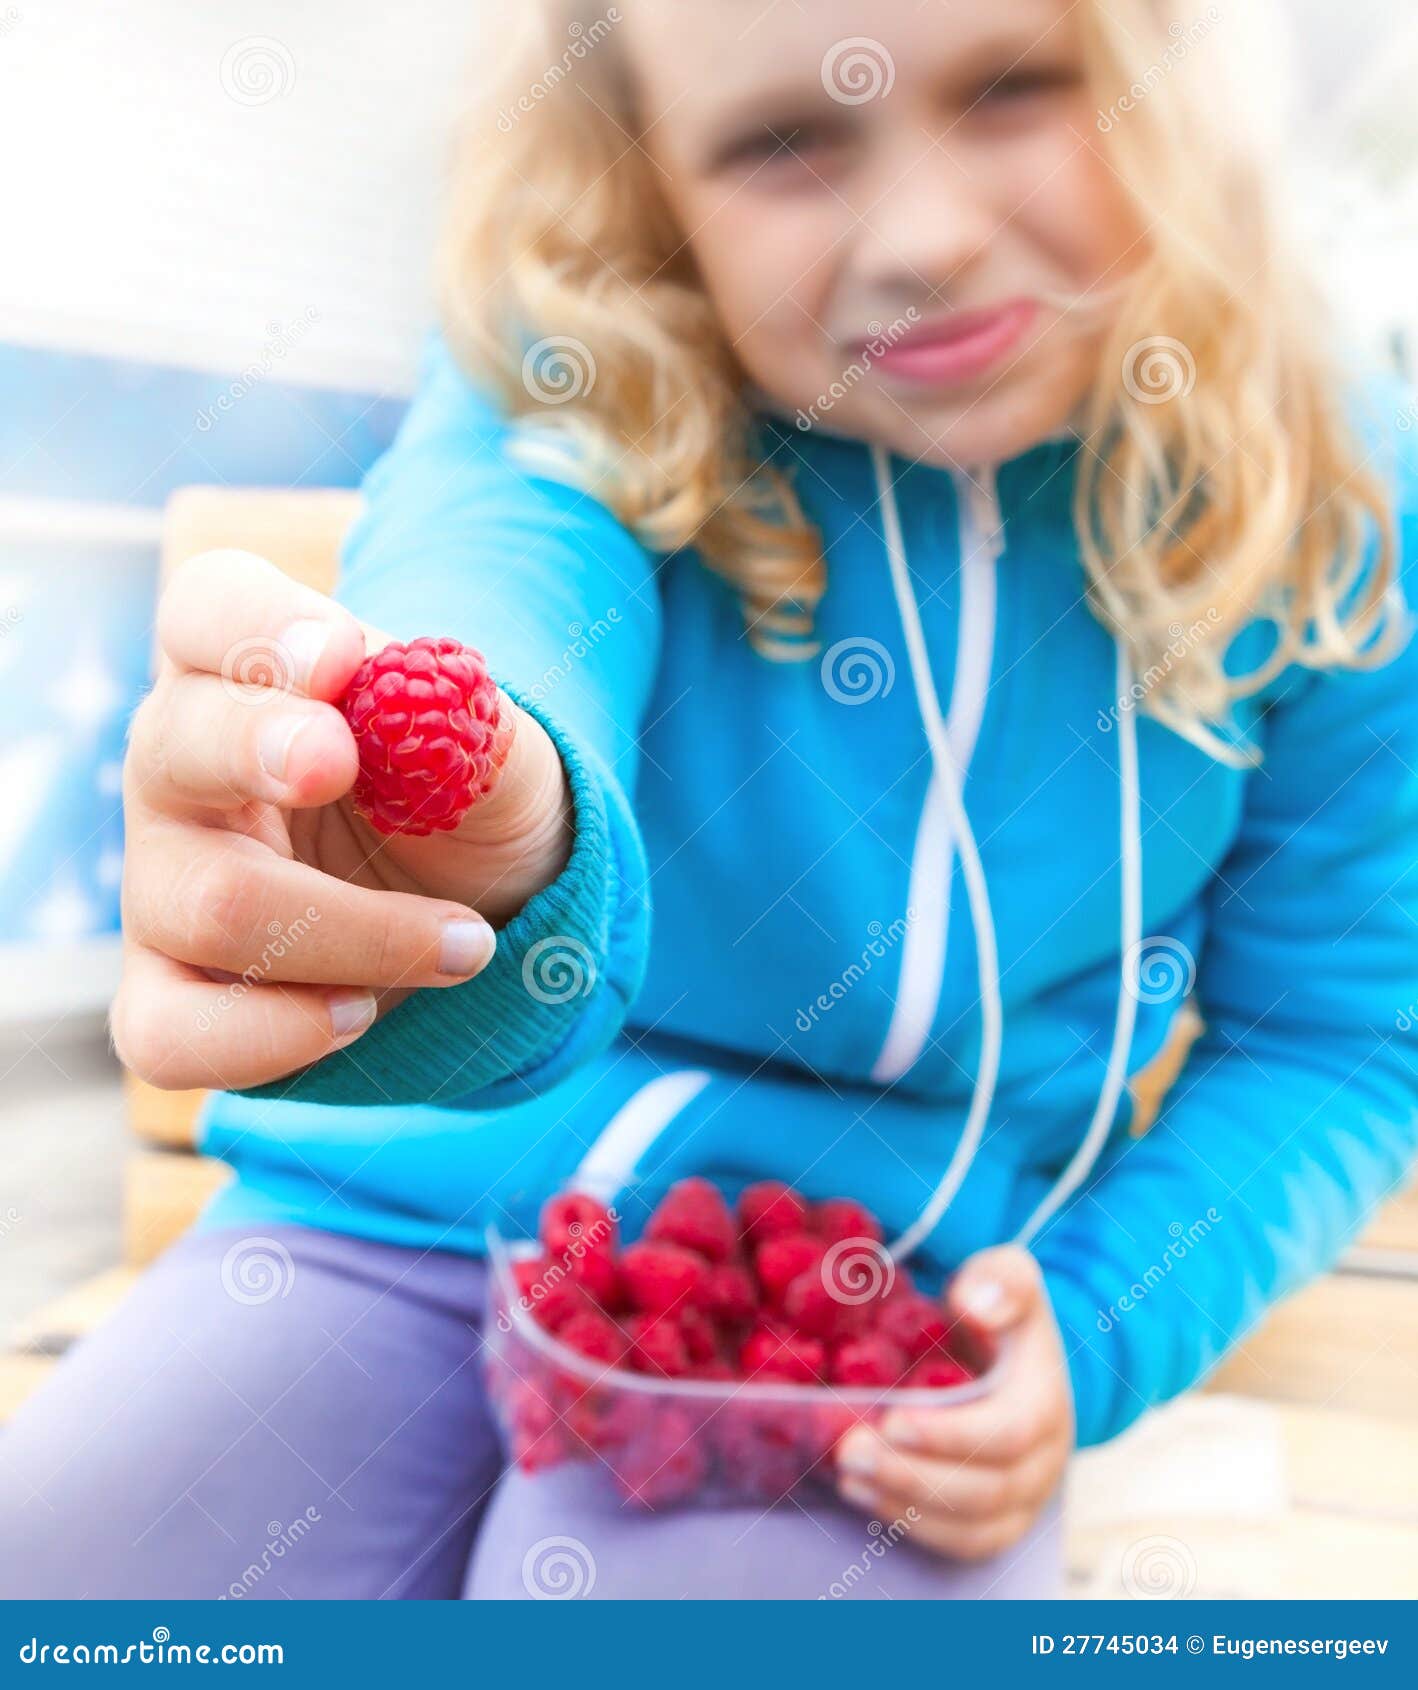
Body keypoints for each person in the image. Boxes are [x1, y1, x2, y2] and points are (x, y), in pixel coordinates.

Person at [5, 0, 1416, 1600]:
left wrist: (1091, 1325)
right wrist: (476, 816)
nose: (927, 237)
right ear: (644, 174)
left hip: (871, 1307)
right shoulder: (571, 379)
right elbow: (495, 592)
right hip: (381, 1220)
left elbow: (1335, 1032)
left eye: (1017, 85)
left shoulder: (1331, 494)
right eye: (781, 143)